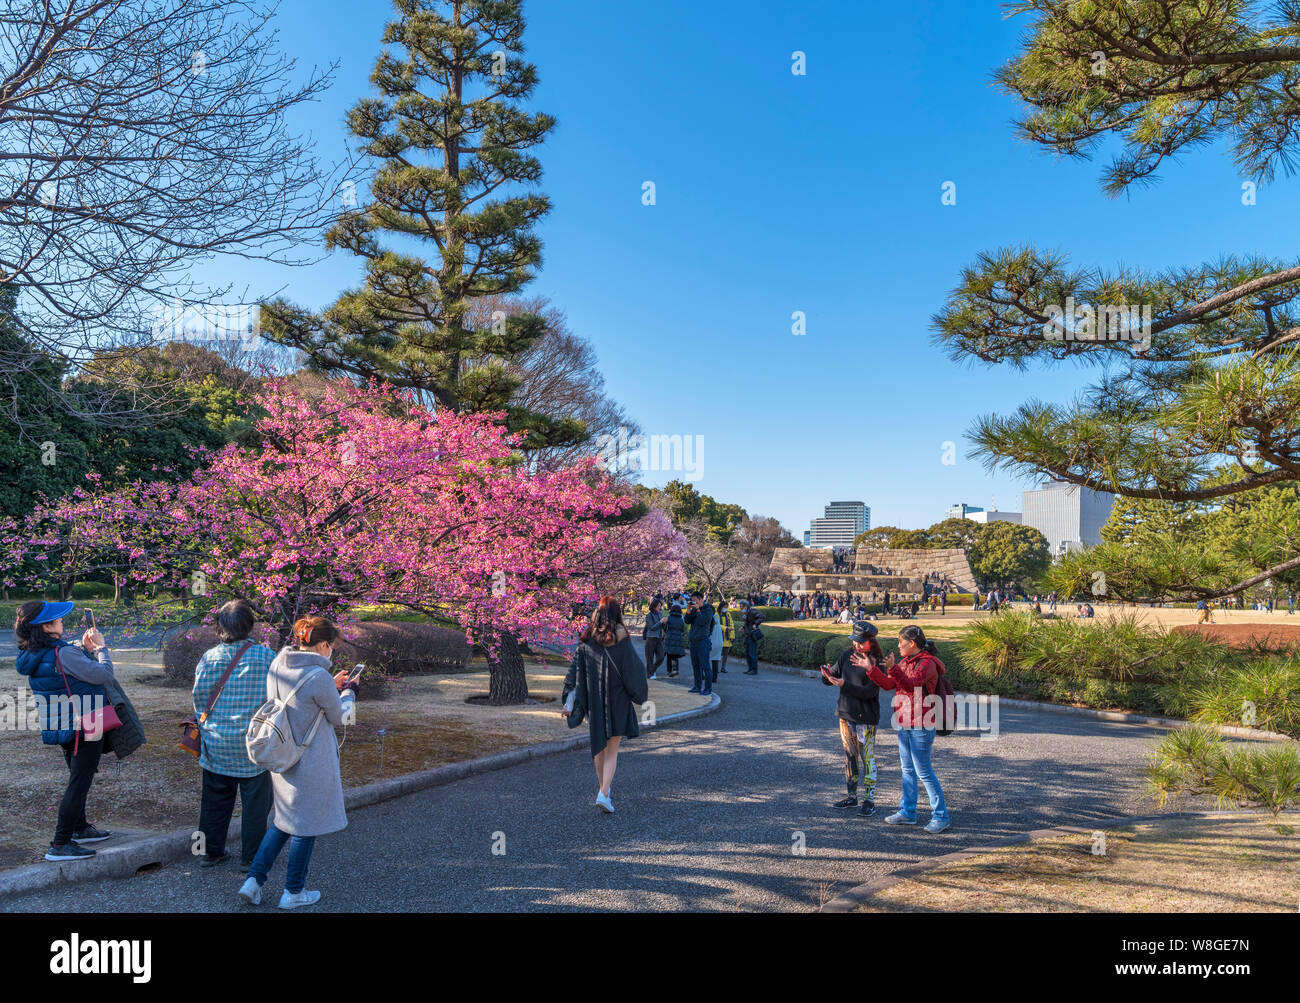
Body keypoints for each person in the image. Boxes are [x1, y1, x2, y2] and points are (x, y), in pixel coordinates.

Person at [238, 616, 357, 910]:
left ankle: (253, 881)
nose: (332, 652)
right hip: (311, 760)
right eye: (332, 646)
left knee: (283, 821)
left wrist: (332, 685)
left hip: (283, 753)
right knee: (305, 825)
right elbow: (339, 716)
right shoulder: (317, 677)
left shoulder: (280, 663)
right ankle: (294, 891)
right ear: (324, 645)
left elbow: (300, 700)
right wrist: (350, 692)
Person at [15, 600, 117, 861]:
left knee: (77, 776)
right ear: (47, 626)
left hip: (61, 723)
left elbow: (63, 672)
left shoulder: (32, 654)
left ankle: (80, 828)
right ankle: (60, 844)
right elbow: (103, 675)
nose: (62, 623)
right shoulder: (64, 653)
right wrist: (101, 648)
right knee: (79, 783)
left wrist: (84, 647)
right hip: (85, 723)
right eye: (57, 620)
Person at [193, 599, 277, 869]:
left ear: (220, 627)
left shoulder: (209, 657)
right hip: (253, 743)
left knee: (214, 801)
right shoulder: (265, 657)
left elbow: (199, 698)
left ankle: (210, 852)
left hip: (216, 740)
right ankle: (250, 858)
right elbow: (276, 698)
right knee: (255, 804)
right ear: (250, 626)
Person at [852, 624, 951, 833]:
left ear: (912, 643)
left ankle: (941, 816)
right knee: (907, 770)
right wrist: (871, 669)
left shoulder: (926, 664)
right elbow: (890, 685)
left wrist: (894, 668)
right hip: (905, 721)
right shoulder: (907, 662)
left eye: (900, 642)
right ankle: (908, 812)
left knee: (923, 771)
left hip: (922, 724)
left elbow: (912, 684)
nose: (898, 646)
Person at [560, 597, 649, 813]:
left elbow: (575, 672)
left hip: (594, 701)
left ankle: (604, 791)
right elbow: (634, 672)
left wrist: (570, 700)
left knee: (599, 747)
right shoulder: (622, 640)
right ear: (616, 614)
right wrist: (639, 694)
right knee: (612, 750)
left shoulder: (586, 639)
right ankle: (604, 792)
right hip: (617, 700)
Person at [821, 621, 882, 817]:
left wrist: (844, 684)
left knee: (867, 757)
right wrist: (827, 675)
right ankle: (852, 796)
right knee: (849, 756)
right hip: (846, 713)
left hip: (866, 716)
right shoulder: (847, 655)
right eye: (855, 641)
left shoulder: (877, 661)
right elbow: (836, 676)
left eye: (861, 642)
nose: (857, 645)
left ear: (871, 641)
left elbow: (870, 692)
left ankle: (869, 799)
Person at [684, 591, 715, 696]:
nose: (693, 602)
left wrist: (697, 609)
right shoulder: (694, 609)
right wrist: (688, 609)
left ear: (701, 599)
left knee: (705, 666)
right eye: (692, 600)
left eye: (695, 600)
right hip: (693, 642)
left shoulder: (708, 610)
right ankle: (697, 686)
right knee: (695, 665)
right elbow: (687, 621)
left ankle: (707, 688)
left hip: (703, 641)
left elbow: (702, 621)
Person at [641, 598, 666, 680]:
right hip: (651, 638)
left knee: (661, 656)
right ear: (654, 606)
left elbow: (662, 626)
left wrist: (665, 623)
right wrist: (660, 622)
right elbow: (651, 627)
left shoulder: (660, 614)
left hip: (659, 639)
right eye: (658, 606)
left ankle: (653, 669)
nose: (660, 607)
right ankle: (650, 674)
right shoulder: (649, 615)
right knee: (649, 658)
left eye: (660, 606)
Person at [663, 603, 686, 677]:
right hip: (678, 638)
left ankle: (669, 671)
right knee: (675, 655)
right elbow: (683, 630)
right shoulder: (681, 619)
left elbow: (665, 628)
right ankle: (675, 669)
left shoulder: (668, 617)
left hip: (669, 638)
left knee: (669, 655)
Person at [741, 599, 764, 674]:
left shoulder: (752, 611)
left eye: (741, 607)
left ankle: (754, 669)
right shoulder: (747, 613)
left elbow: (762, 616)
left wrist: (756, 624)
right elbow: (748, 623)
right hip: (748, 634)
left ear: (745, 606)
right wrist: (743, 627)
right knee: (748, 653)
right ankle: (750, 668)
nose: (740, 609)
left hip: (752, 634)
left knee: (752, 653)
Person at [709, 606, 725, 685]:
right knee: (715, 661)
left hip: (711, 642)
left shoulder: (710, 619)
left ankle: (705, 676)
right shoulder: (716, 619)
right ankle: (714, 677)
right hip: (719, 643)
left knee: (705, 660)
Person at [718, 602, 735, 675]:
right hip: (719, 636)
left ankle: (723, 667)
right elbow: (717, 625)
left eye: (726, 607)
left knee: (725, 654)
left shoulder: (728, 614)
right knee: (718, 654)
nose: (725, 609)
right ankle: (716, 667)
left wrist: (732, 636)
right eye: (724, 607)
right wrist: (726, 628)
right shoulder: (716, 614)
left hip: (727, 637)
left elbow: (731, 625)